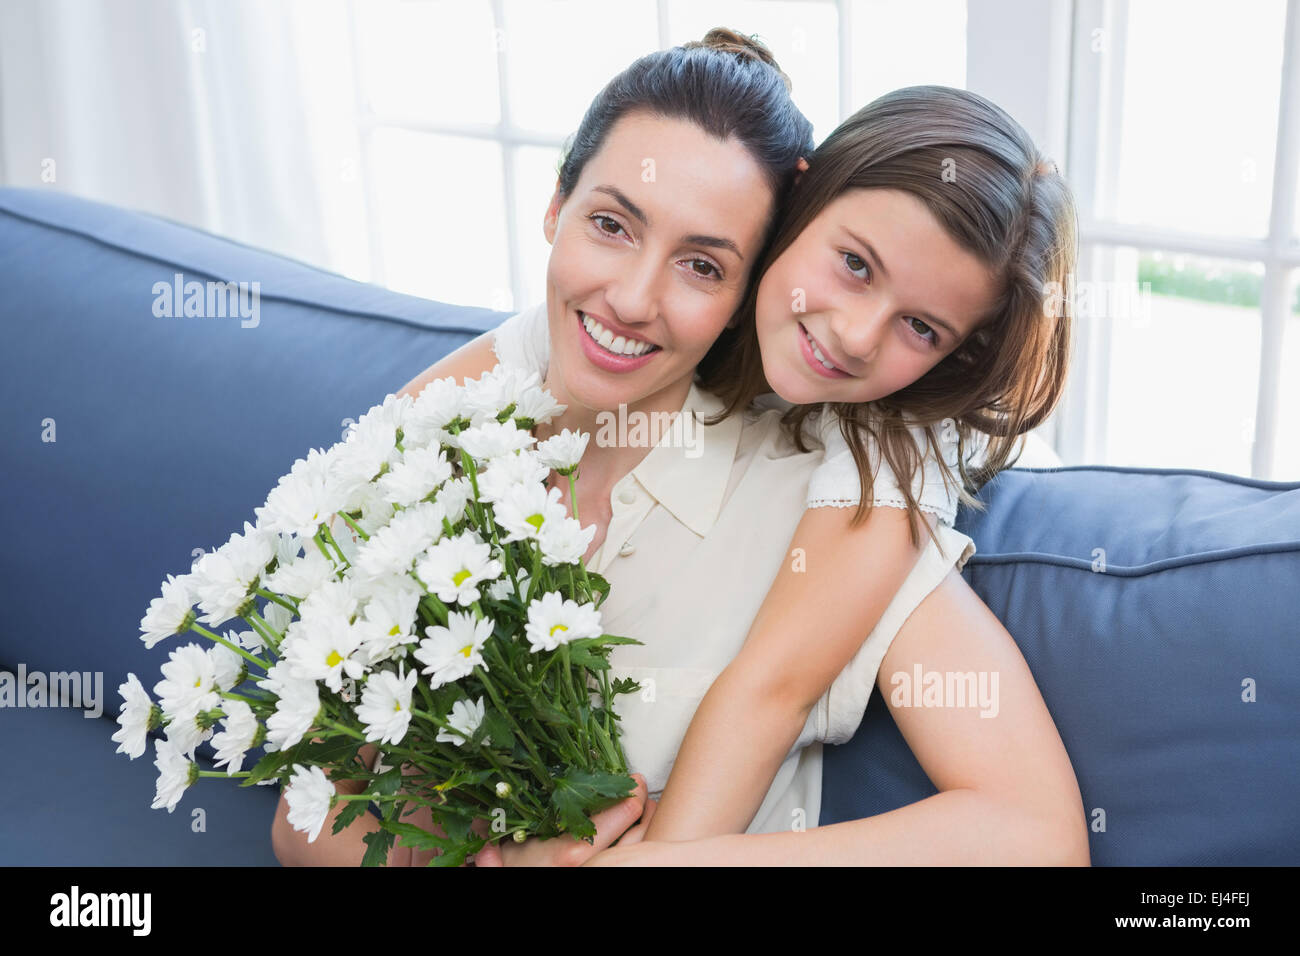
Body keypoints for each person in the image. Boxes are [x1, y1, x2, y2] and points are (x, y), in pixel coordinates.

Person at [273, 29, 1088, 867]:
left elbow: (1034, 837)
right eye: (611, 224)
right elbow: (308, 820)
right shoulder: (448, 433)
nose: (631, 299)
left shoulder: (849, 494)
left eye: (702, 264)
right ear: (556, 204)